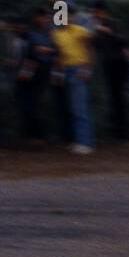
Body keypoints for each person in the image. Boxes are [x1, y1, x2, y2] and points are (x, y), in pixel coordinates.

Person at [53, 11, 96, 154]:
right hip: (67, 70)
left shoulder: (79, 30)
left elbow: (90, 48)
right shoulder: (57, 34)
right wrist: (59, 73)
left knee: (80, 107)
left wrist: (87, 68)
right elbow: (59, 55)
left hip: (79, 69)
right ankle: (79, 140)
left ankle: (85, 143)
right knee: (73, 107)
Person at [92, 3, 129, 140]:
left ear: (104, 12)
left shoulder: (115, 24)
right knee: (113, 97)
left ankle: (124, 132)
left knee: (120, 97)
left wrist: (110, 32)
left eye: (97, 12)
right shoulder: (97, 29)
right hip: (108, 65)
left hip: (120, 64)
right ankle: (117, 132)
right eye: (95, 12)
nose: (96, 15)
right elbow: (97, 46)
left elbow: (125, 40)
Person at [17, 11, 56, 143]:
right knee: (29, 103)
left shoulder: (50, 34)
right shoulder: (31, 33)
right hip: (30, 69)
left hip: (43, 70)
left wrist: (45, 50)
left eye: (44, 17)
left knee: (40, 103)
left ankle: (43, 135)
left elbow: (56, 51)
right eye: (40, 17)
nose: (42, 20)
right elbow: (29, 53)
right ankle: (32, 135)